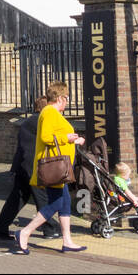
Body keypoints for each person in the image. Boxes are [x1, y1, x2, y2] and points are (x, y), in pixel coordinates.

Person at [14, 81, 86, 254]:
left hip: (61, 169)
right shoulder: (49, 112)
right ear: (61, 98)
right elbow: (47, 137)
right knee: (57, 202)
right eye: (67, 98)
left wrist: (73, 140)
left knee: (65, 202)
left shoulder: (54, 113)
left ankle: (67, 240)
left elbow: (55, 135)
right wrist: (67, 138)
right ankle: (25, 232)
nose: (68, 102)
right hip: (54, 169)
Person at [0, 97, 59, 240]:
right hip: (34, 166)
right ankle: (50, 229)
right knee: (42, 198)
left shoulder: (27, 122)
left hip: (22, 166)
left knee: (17, 199)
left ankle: (0, 227)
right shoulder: (41, 121)